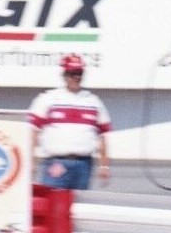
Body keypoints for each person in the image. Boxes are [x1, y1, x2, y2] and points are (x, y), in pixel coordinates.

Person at [27, 54, 111, 190]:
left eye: (79, 73)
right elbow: (33, 132)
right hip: (57, 162)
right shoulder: (48, 99)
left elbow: (103, 136)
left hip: (84, 164)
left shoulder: (93, 101)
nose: (76, 77)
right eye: (72, 73)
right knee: (53, 202)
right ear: (64, 75)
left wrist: (105, 166)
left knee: (79, 206)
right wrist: (31, 161)